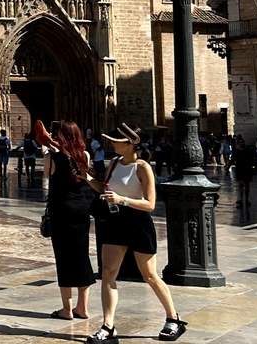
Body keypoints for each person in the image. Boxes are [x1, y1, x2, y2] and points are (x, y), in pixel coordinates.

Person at [85, 123, 186, 343]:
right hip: (115, 222)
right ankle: (108, 326)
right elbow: (105, 189)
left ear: (131, 144)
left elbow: (150, 204)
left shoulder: (142, 167)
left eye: (116, 141)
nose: (112, 144)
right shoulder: (113, 163)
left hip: (138, 222)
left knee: (150, 275)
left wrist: (123, 200)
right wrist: (87, 178)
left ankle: (173, 318)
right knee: (108, 274)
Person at [41, 121, 95, 321]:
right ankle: (83, 307)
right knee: (82, 256)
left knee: (64, 258)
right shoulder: (85, 155)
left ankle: (67, 309)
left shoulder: (51, 158)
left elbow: (47, 177)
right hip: (81, 211)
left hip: (61, 212)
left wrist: (50, 148)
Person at [232, 136, 257, 207]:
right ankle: (242, 199)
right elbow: (233, 160)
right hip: (241, 170)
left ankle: (245, 199)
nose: (241, 144)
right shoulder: (238, 151)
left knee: (246, 185)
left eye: (241, 142)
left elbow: (254, 160)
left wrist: (255, 168)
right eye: (240, 142)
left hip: (246, 169)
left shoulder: (247, 150)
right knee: (241, 185)